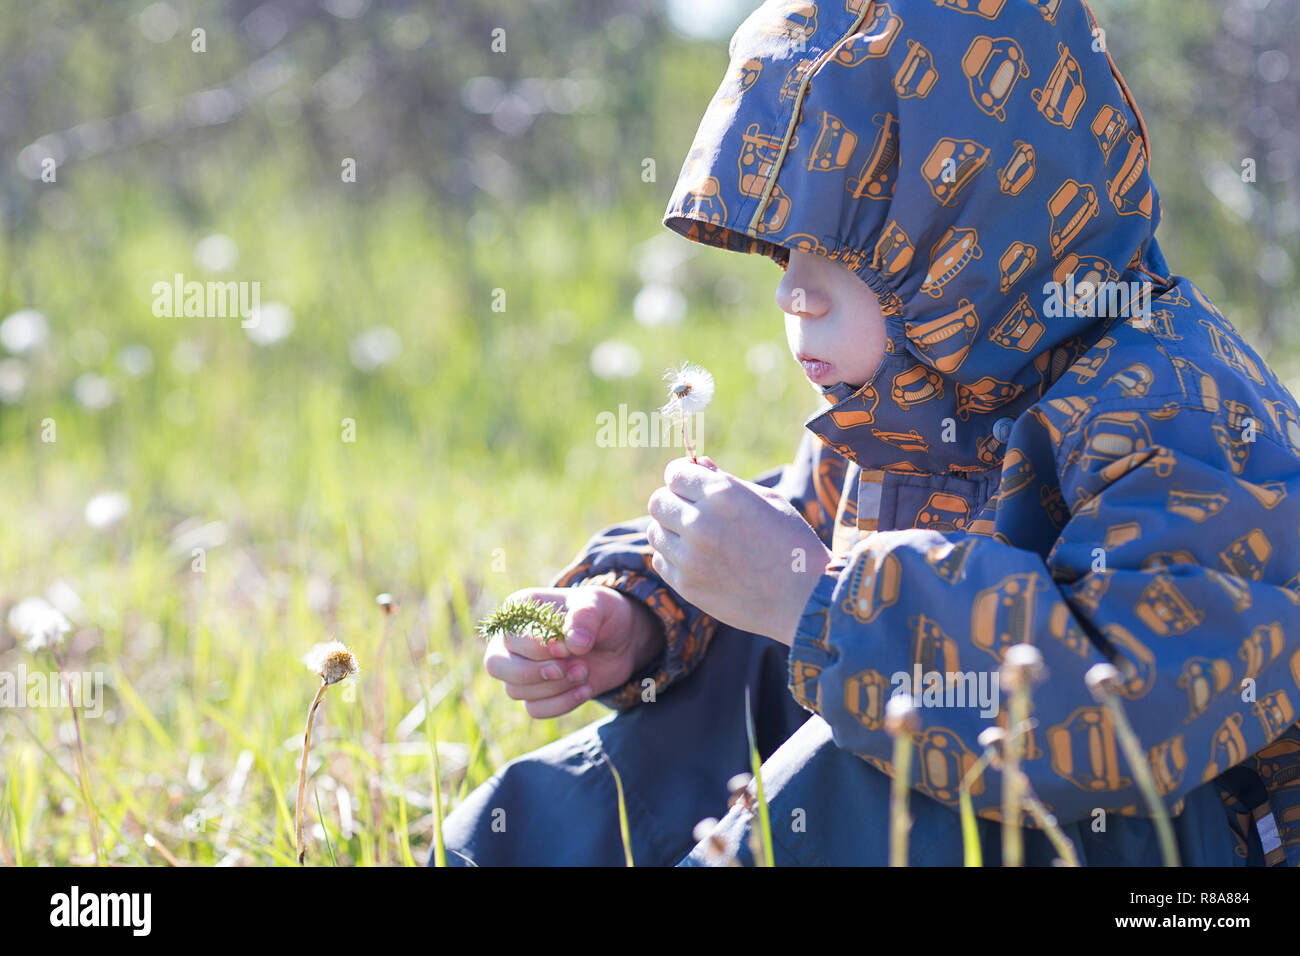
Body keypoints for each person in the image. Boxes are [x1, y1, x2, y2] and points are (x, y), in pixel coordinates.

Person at [439, 0, 1300, 866]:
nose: (793, 294)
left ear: (980, 224)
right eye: (784, 251)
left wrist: (816, 602)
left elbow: (1131, 716)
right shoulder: (912, 395)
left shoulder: (1180, 406)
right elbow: (799, 531)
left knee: (885, 715)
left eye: (843, 250)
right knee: (752, 661)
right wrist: (646, 612)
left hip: (1182, 859)